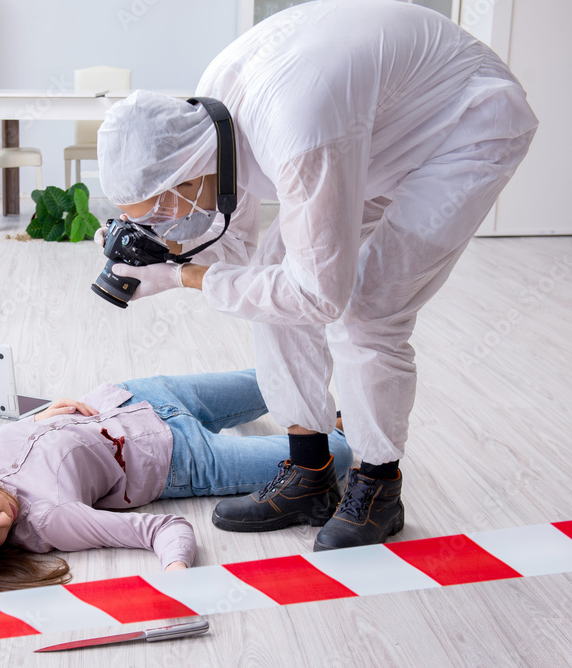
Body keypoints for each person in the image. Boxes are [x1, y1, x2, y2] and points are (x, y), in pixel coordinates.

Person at [95, 0, 537, 551]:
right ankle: (309, 473)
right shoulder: (211, 119)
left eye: (163, 211)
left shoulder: (296, 132)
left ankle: (379, 488)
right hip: (375, 129)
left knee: (370, 308)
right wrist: (172, 250)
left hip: (466, 124)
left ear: (185, 174)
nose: (169, 222)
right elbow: (238, 246)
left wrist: (184, 279)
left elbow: (318, 295)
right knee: (273, 279)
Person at [0, 370, 352, 604]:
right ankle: (351, 420)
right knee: (338, 454)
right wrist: (177, 572)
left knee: (286, 369)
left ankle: (343, 385)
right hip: (180, 458)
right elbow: (161, 528)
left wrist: (44, 413)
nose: (3, 520)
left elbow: (9, 437)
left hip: (139, 396)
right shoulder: (50, 520)